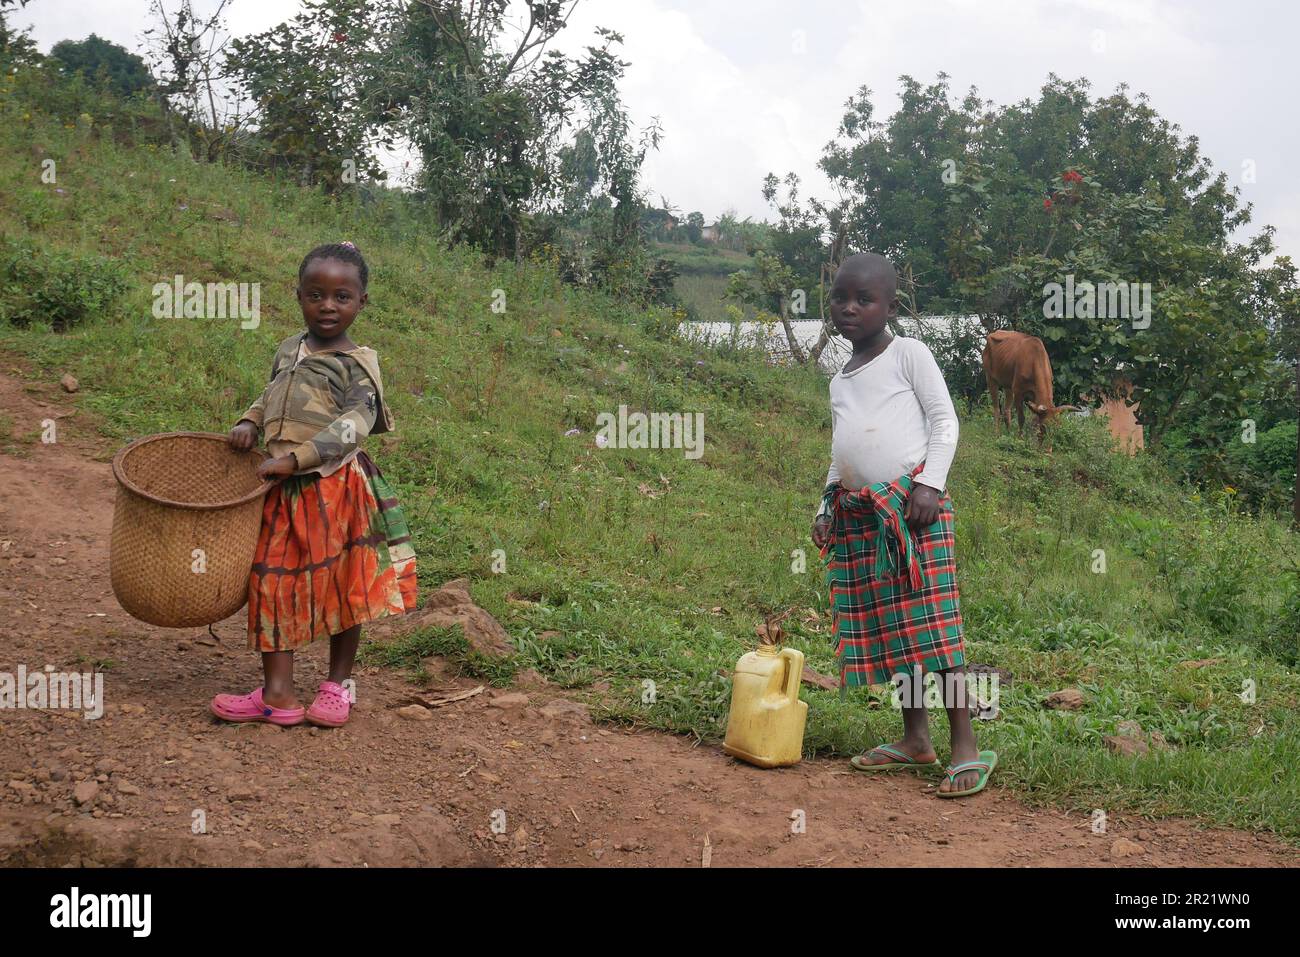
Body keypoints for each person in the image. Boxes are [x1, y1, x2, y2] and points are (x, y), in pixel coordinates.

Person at [812, 252, 995, 798]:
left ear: (889, 307)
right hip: (865, 513)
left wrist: (931, 484)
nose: (849, 308)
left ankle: (965, 746)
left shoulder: (908, 354)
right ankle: (916, 740)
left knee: (935, 629)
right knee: (897, 628)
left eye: (864, 300)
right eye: (841, 298)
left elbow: (944, 420)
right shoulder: (840, 379)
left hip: (916, 510)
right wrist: (826, 506)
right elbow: (839, 449)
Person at [211, 242, 417, 728]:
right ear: (298, 295)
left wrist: (296, 459)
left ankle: (336, 686)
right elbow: (271, 393)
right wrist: (249, 420)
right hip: (282, 490)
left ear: (361, 302)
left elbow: (355, 425)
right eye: (316, 294)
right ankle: (278, 692)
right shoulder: (289, 348)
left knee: (344, 585)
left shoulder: (358, 364)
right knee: (269, 577)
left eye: (342, 297)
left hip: (335, 487)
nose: (328, 306)